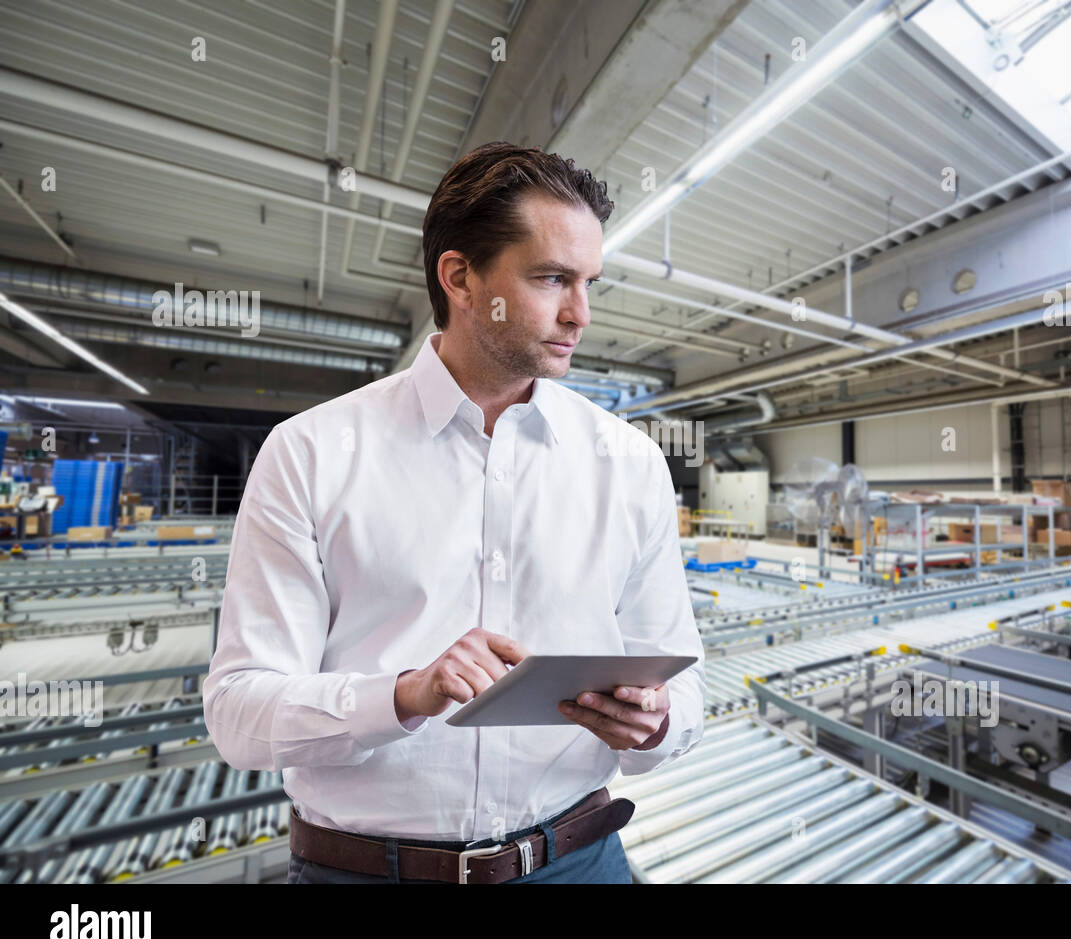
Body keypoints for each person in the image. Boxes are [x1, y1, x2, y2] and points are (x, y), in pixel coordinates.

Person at [203, 141, 706, 884]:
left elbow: (687, 689)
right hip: (367, 873)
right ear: (461, 277)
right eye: (552, 279)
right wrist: (404, 695)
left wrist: (655, 719)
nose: (581, 313)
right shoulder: (311, 452)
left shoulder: (627, 464)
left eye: (589, 282)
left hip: (578, 861)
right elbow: (239, 716)